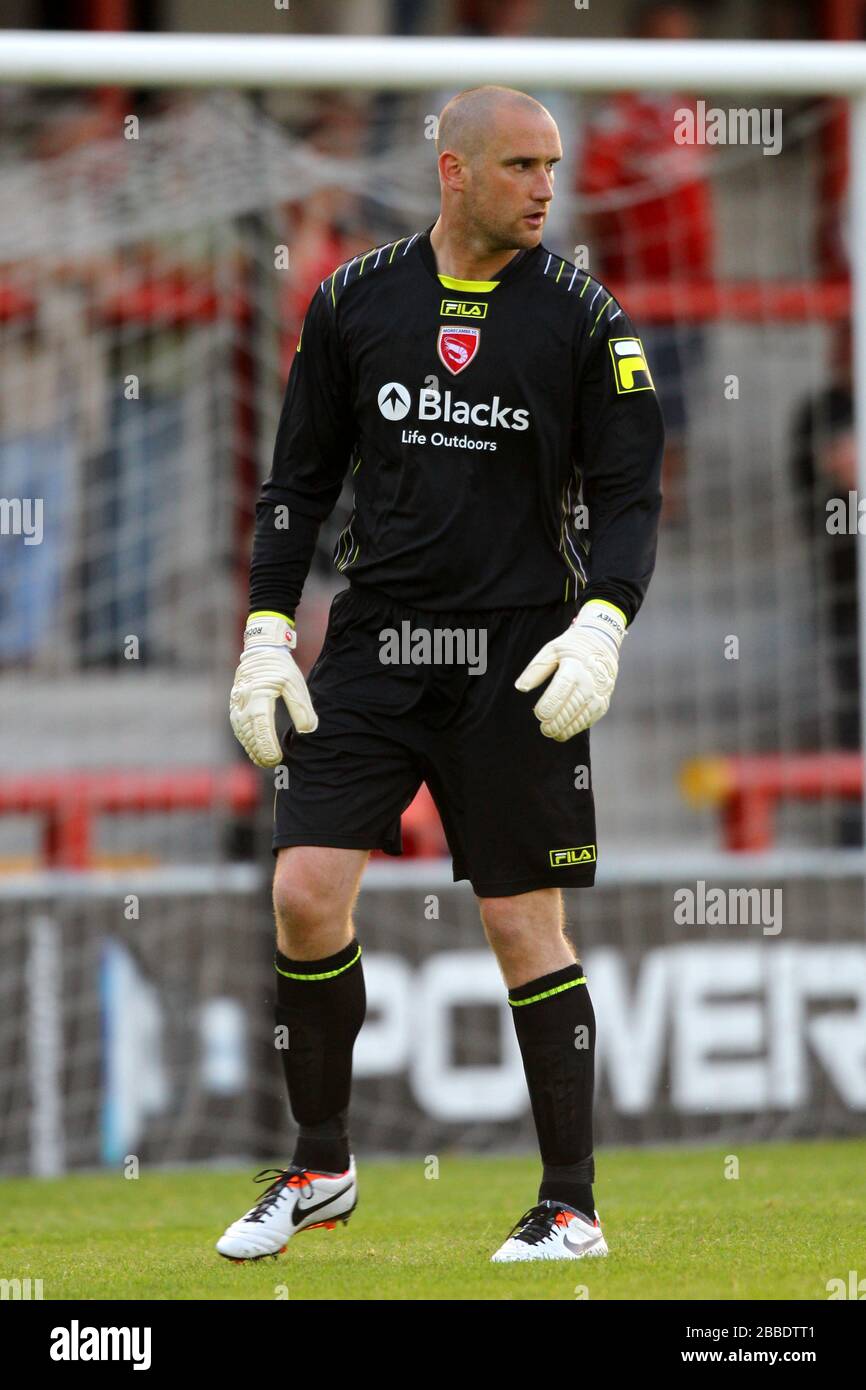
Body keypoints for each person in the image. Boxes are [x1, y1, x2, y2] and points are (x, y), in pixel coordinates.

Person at [219, 85, 663, 1264]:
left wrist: (605, 621)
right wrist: (268, 629)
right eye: (520, 165)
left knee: (524, 923)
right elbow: (297, 481)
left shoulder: (584, 319)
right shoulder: (356, 301)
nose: (544, 188)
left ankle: (568, 1203)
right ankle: (319, 1169)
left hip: (518, 652)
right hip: (376, 642)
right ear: (452, 172)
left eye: (552, 166)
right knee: (303, 892)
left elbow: (628, 496)